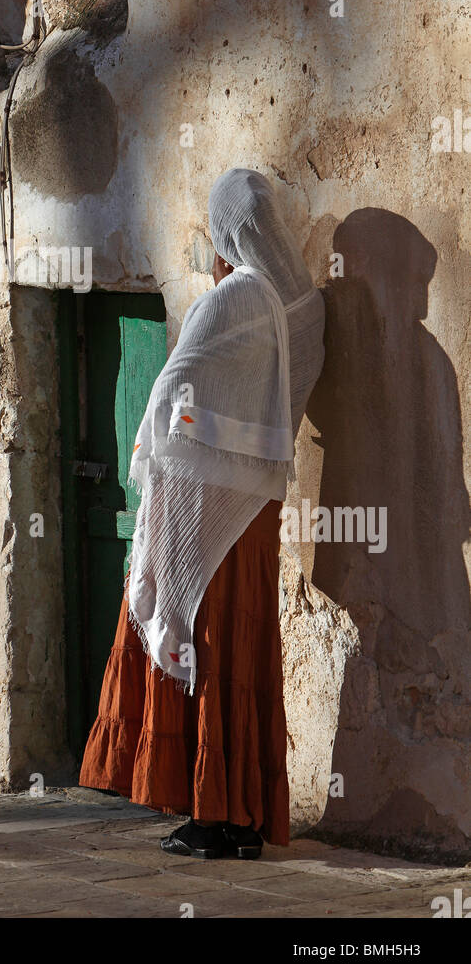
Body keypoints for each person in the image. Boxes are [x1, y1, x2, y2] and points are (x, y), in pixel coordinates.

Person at [78, 168, 325, 859]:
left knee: (207, 647)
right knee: (247, 653)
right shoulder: (302, 303)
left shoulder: (233, 298)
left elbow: (174, 390)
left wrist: (155, 442)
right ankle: (246, 818)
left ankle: (211, 816)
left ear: (228, 233)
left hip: (207, 511)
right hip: (257, 513)